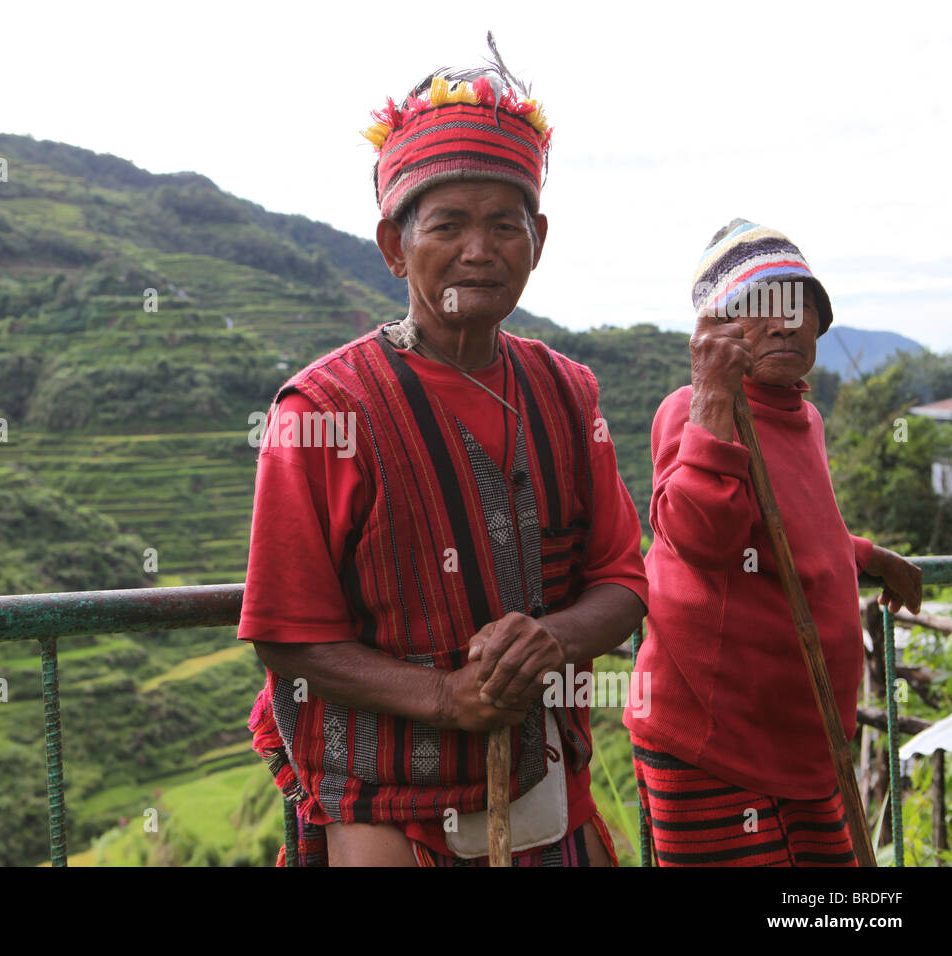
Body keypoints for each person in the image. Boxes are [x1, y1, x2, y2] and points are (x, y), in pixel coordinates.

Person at [238, 36, 648, 867]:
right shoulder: (320, 411)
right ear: (394, 246)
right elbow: (288, 634)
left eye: (505, 225)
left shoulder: (569, 394)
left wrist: (551, 640)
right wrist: (444, 696)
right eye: (448, 224)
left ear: (538, 237)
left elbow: (623, 583)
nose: (479, 249)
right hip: (387, 813)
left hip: (548, 798)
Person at [624, 219, 924, 866]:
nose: (785, 324)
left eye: (800, 305)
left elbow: (797, 528)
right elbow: (704, 539)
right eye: (759, 309)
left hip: (805, 736)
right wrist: (712, 399)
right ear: (717, 333)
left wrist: (870, 558)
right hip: (716, 738)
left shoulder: (805, 416)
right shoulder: (691, 410)